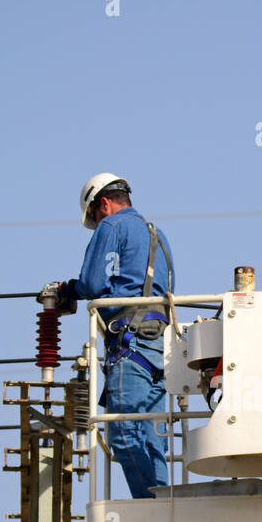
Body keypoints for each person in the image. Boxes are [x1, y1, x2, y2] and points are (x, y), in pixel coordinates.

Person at [58, 173, 174, 499]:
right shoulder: (157, 234)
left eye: (94, 217)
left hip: (129, 343)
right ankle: (165, 502)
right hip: (158, 347)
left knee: (124, 432)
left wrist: (70, 289)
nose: (97, 224)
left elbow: (94, 283)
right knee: (151, 438)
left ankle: (154, 510)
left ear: (103, 205)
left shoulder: (111, 227)